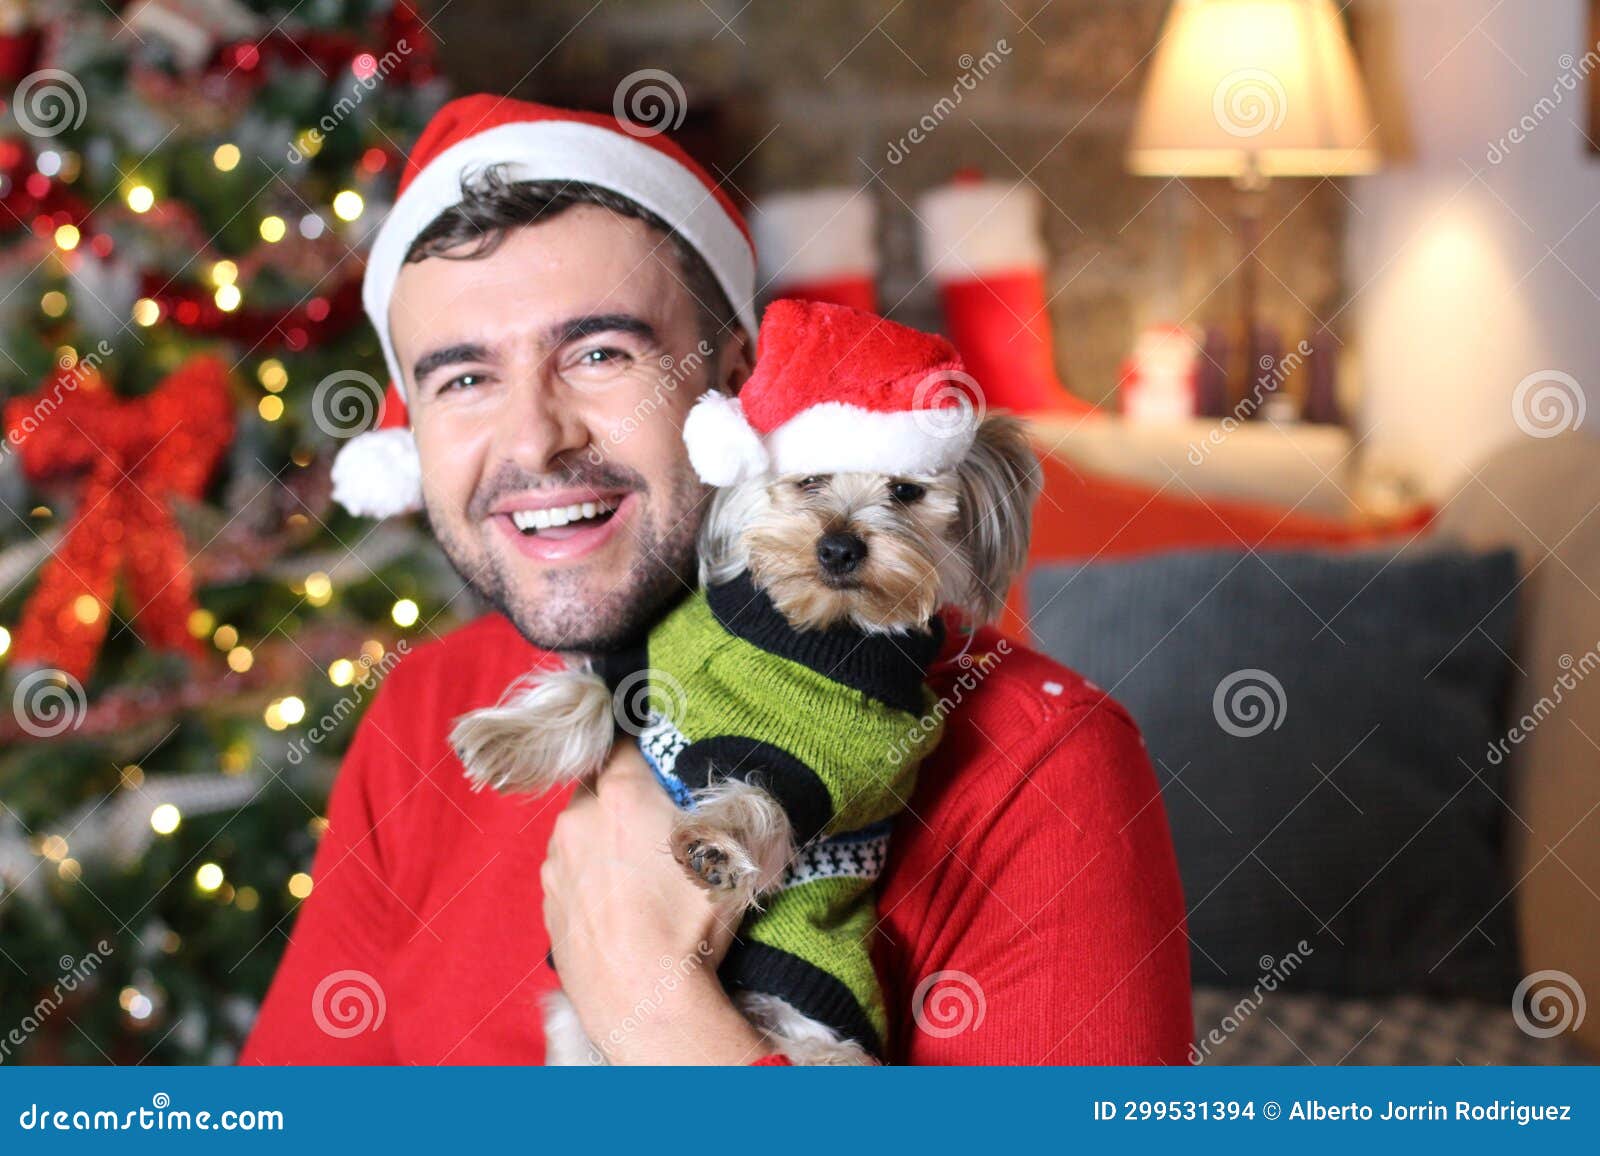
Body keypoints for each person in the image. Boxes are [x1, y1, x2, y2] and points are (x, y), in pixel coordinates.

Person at [240, 95, 1191, 1066]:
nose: (533, 440)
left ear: (737, 381)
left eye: (600, 353)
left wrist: (656, 1013)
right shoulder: (428, 703)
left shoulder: (1048, 768)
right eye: (464, 378)